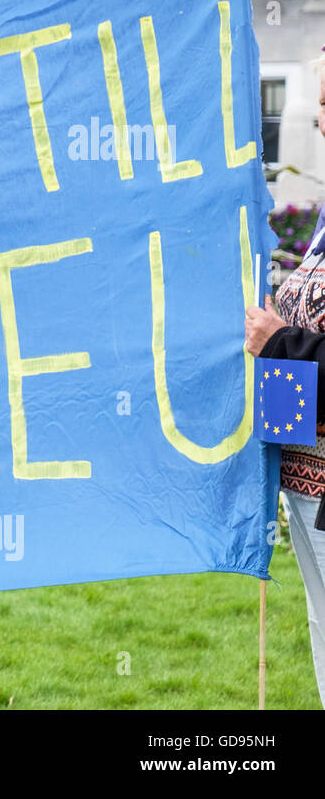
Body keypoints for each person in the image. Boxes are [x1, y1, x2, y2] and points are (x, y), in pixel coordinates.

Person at [243, 47, 325, 708]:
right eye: (318, 103)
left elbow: (301, 348)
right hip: (305, 490)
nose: (321, 119)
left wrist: (283, 344)